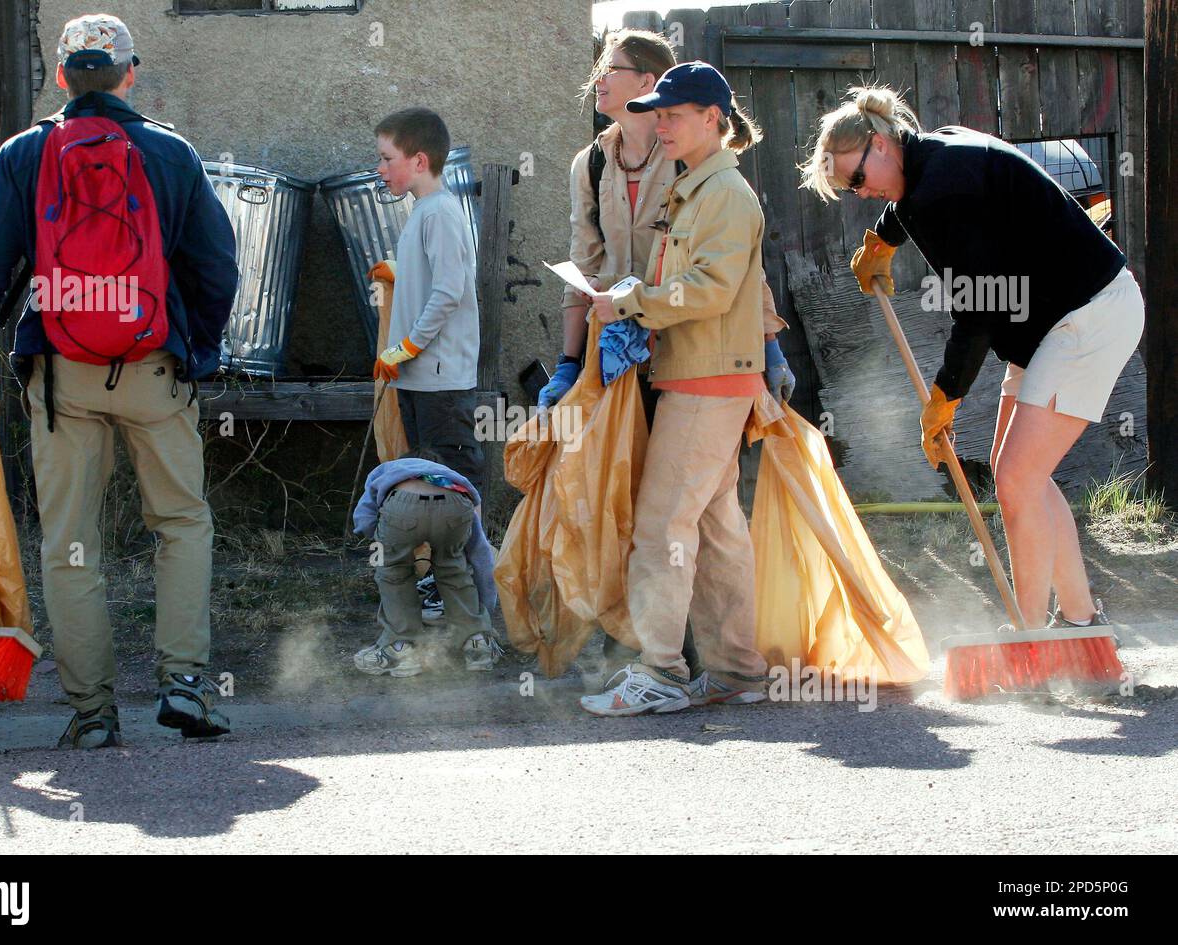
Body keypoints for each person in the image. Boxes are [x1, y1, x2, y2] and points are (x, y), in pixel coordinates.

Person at [0, 14, 239, 747]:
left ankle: (94, 712)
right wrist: (196, 348)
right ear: (129, 74)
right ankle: (184, 685)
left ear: (59, 76)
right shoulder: (171, 152)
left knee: (71, 541)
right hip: (155, 367)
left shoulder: (26, 152)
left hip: (61, 375)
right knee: (180, 523)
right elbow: (217, 266)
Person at [800, 86, 1142, 632]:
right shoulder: (934, 154)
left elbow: (980, 308)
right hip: (1052, 321)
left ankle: (1028, 635)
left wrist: (945, 397)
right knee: (1026, 476)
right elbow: (909, 199)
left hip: (1088, 312)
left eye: (857, 179)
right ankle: (1080, 623)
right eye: (849, 188)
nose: (858, 192)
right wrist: (884, 238)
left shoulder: (941, 189)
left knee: (1015, 479)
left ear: (881, 145)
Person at [553, 33, 792, 679]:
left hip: (694, 364)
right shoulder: (602, 164)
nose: (599, 81)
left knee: (662, 524)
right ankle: (734, 667)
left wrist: (768, 345)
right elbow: (589, 263)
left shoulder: (706, 178)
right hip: (647, 356)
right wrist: (570, 361)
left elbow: (725, 278)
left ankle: (659, 668)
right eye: (658, 114)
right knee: (708, 525)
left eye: (671, 113)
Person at [372, 107, 485, 498]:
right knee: (427, 478)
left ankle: (469, 555)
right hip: (418, 375)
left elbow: (449, 291)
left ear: (419, 161)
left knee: (453, 478)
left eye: (387, 159)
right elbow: (435, 277)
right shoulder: (424, 210)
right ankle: (437, 556)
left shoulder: (440, 212)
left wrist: (407, 346)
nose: (381, 168)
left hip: (441, 379)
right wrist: (400, 272)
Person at [352, 450, 501, 677]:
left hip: (403, 505)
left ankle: (401, 649)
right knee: (454, 569)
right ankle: (476, 643)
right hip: (457, 504)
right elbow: (481, 556)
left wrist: (384, 541)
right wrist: (486, 611)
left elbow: (363, 519)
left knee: (394, 573)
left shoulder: (387, 470)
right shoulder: (454, 479)